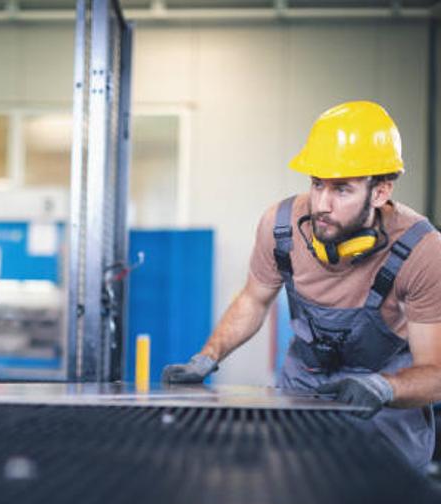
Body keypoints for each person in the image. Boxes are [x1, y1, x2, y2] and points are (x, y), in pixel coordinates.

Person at [161, 101, 441, 470]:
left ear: (380, 192)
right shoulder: (281, 227)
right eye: (316, 184)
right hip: (303, 389)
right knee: (295, 499)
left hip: (385, 402)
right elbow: (254, 300)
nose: (322, 204)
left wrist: (383, 388)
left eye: (341, 189)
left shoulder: (421, 251)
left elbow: (435, 373)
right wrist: (206, 357)